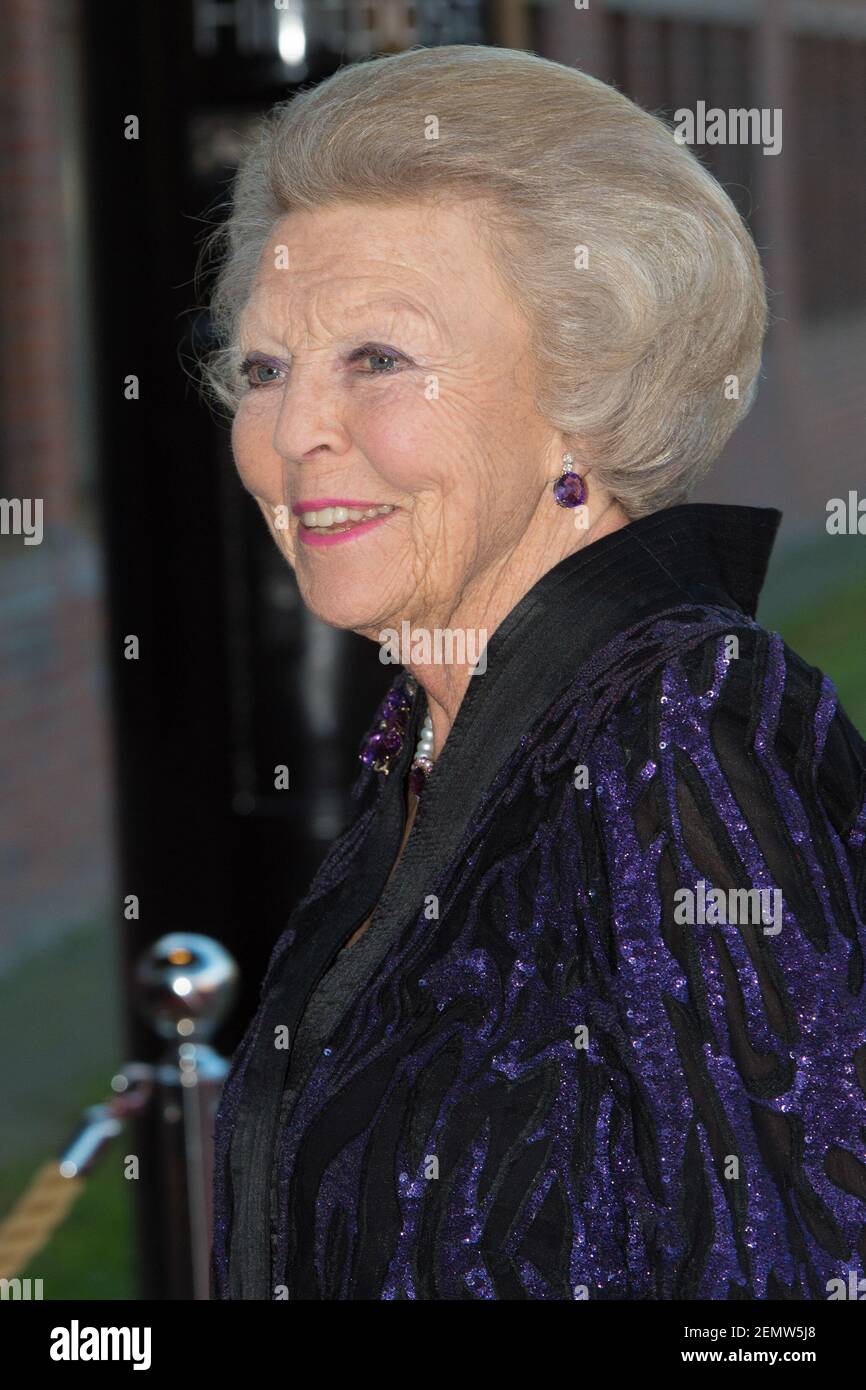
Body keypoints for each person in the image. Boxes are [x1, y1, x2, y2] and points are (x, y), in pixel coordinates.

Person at [203, 44, 866, 1300]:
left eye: (378, 359)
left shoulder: (681, 733)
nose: (294, 433)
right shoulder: (443, 733)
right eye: (264, 369)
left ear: (587, 387)